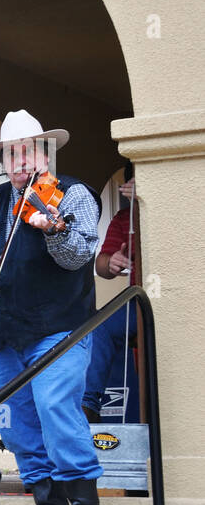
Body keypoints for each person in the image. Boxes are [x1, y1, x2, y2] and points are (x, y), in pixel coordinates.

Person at [0, 110, 103, 505]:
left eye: (28, 152)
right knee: (16, 423)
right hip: (4, 335)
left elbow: (78, 256)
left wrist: (52, 229)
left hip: (59, 328)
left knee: (56, 408)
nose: (19, 163)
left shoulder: (70, 195)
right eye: (11, 154)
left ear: (44, 152)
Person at [84, 176, 140, 423]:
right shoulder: (123, 218)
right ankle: (87, 407)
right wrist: (112, 261)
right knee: (99, 324)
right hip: (140, 305)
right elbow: (102, 264)